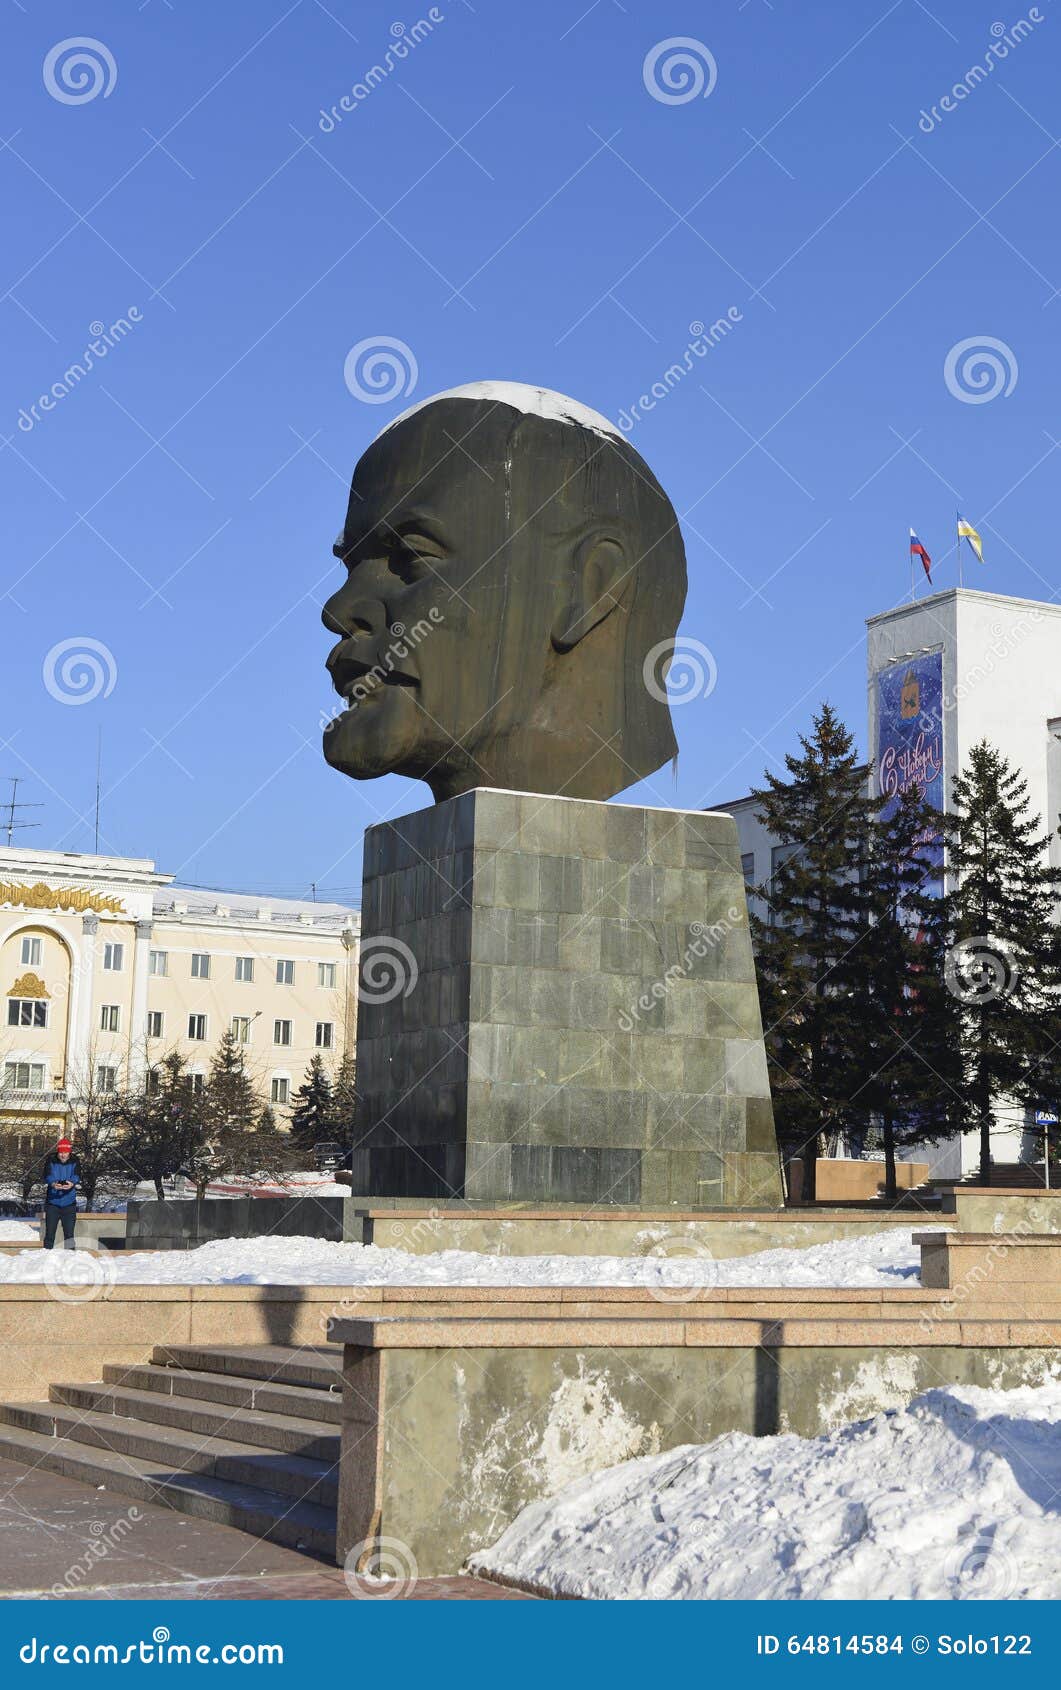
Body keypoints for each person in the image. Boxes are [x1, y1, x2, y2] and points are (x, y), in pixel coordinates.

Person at [42, 1138, 80, 1250]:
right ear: (58, 1152)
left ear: (69, 1152)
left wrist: (72, 1183)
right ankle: (46, 1259)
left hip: (69, 1204)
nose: (63, 1155)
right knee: (49, 1235)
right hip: (52, 1203)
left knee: (69, 1235)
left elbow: (77, 1175)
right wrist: (53, 1183)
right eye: (61, 1152)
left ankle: (70, 1260)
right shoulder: (51, 1160)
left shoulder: (75, 1160)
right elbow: (47, 1175)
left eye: (65, 1152)